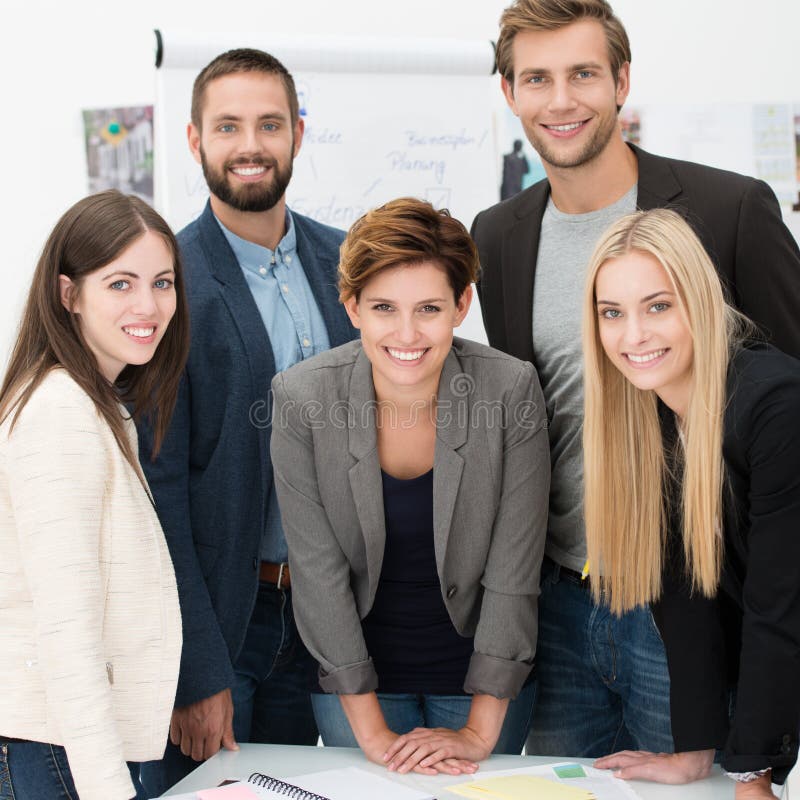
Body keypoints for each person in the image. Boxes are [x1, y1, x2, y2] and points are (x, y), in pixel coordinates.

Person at [470, 0, 800, 758]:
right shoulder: (499, 235)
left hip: (691, 606)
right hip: (559, 603)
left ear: (622, 80)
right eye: (536, 78)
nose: (560, 100)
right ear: (509, 93)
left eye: (583, 73)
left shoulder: (728, 211)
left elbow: (787, 409)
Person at [138, 48, 357, 796]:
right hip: (228, 623)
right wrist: (195, 671)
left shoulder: (347, 263)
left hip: (330, 619)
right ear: (196, 141)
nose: (251, 144)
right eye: (228, 126)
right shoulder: (166, 281)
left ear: (297, 133)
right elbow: (159, 495)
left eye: (269, 123)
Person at [270, 198, 549, 775]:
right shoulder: (301, 398)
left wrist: (478, 729)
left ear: (461, 304)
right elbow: (318, 577)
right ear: (351, 308)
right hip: (355, 682)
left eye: (428, 308)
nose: (406, 333)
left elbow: (513, 567)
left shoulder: (509, 389)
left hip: (483, 679)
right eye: (382, 308)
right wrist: (372, 736)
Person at [582, 208, 800, 796]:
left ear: (699, 300)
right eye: (612, 313)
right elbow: (688, 590)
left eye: (658, 305)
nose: (634, 336)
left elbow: (779, 603)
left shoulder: (777, 406)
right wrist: (695, 748)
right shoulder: (647, 414)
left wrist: (752, 773)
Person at [0, 190, 189, 800]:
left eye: (162, 282)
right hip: (58, 754)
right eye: (120, 284)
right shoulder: (58, 411)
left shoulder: (95, 404)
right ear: (68, 294)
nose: (148, 305)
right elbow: (67, 627)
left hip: (67, 748)